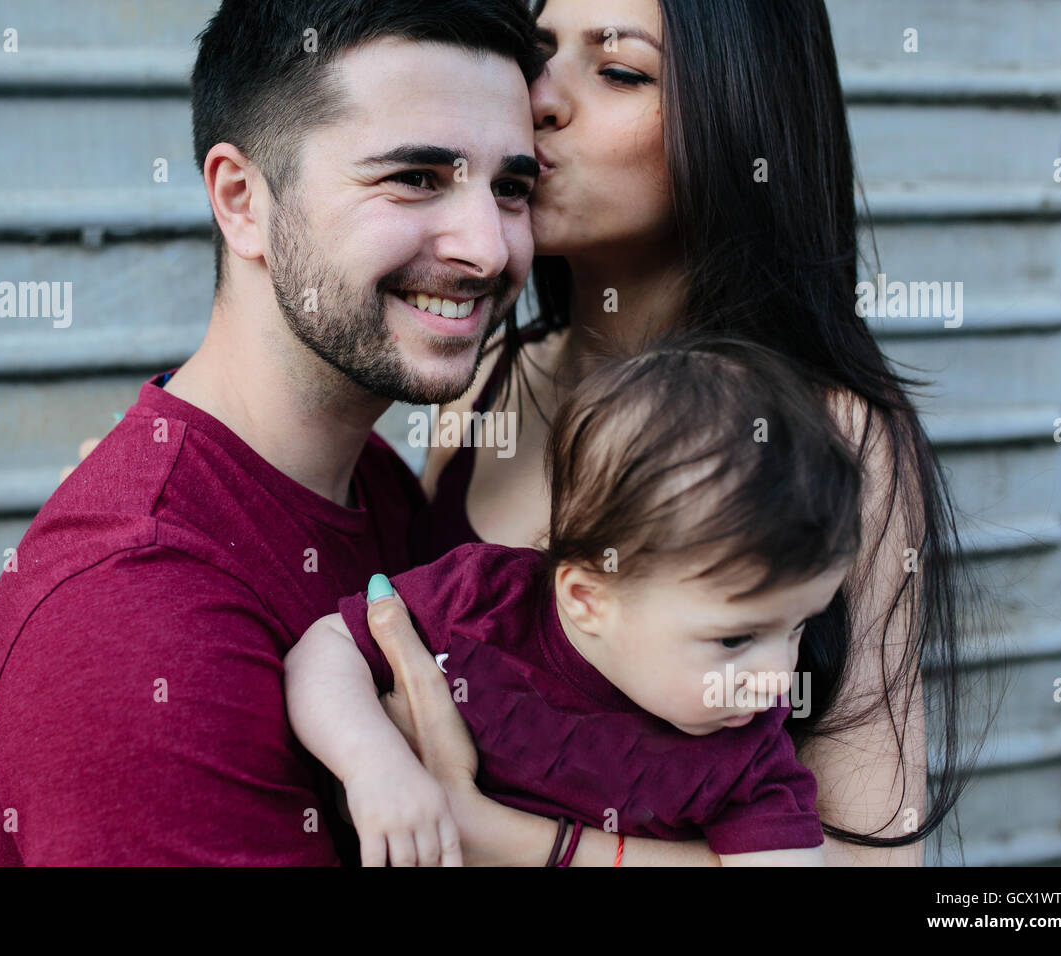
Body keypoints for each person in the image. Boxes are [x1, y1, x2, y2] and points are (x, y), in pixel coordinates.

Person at [365, 0, 993, 866]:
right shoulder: (485, 382)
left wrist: (492, 835)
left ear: (739, 117)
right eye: (540, 51)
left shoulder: (834, 431)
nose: (541, 96)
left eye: (619, 70)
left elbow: (865, 865)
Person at [0, 0, 545, 865]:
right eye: (415, 178)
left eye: (511, 188)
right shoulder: (129, 622)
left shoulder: (372, 482)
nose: (489, 250)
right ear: (242, 201)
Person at [286, 339, 863, 867]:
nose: (777, 680)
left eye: (797, 629)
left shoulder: (745, 752)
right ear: (588, 598)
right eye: (736, 639)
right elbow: (324, 649)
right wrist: (373, 766)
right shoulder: (483, 601)